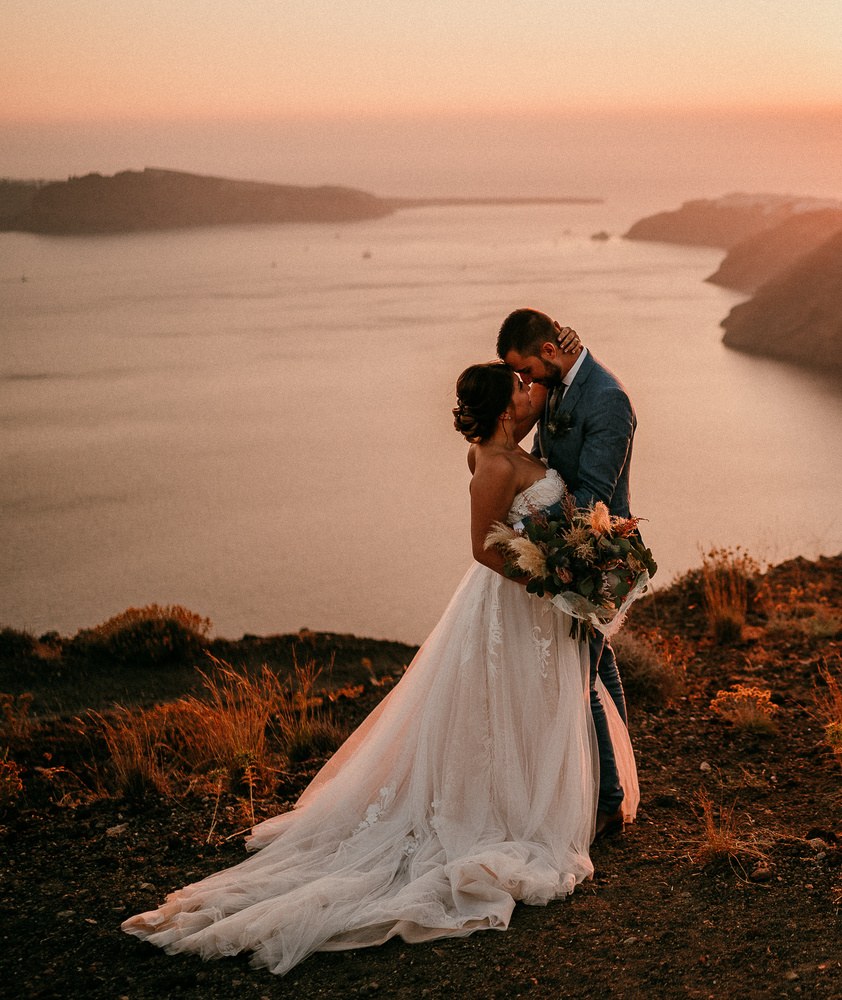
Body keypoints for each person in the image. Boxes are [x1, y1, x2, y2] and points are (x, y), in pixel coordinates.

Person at [122, 362, 638, 975]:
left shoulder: (501, 451)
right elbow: (482, 547)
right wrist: (551, 581)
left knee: (524, 705)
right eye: (523, 387)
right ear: (505, 409)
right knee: (501, 703)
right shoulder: (494, 462)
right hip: (515, 601)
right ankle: (502, 813)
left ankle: (531, 798)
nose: (534, 392)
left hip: (533, 607)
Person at [497, 309, 636, 840]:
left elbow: (596, 496)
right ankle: (618, 779)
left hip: (600, 555)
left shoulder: (606, 398)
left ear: (550, 353)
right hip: (570, 552)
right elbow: (533, 453)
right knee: (600, 667)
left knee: (580, 672)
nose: (527, 385)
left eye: (528, 371)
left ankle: (607, 803)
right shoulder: (557, 385)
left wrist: (526, 530)